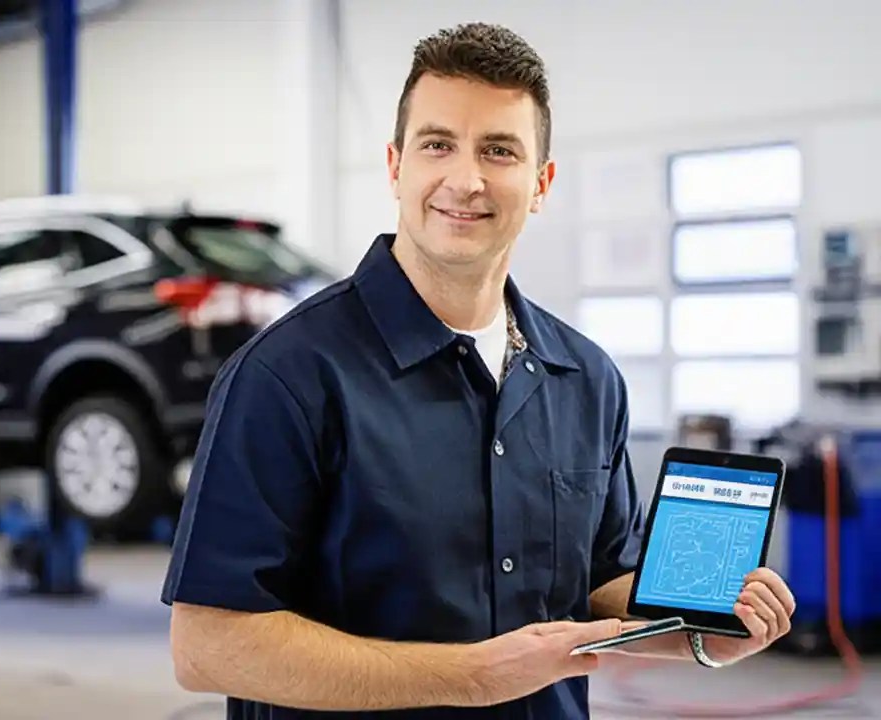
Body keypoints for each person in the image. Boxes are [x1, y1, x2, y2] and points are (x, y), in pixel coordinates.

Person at [161, 23, 796, 719]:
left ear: (541, 182)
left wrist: (698, 630)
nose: (466, 180)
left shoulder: (586, 379)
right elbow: (209, 646)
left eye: (499, 151)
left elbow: (602, 576)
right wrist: (472, 677)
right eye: (438, 145)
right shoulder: (287, 377)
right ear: (395, 165)